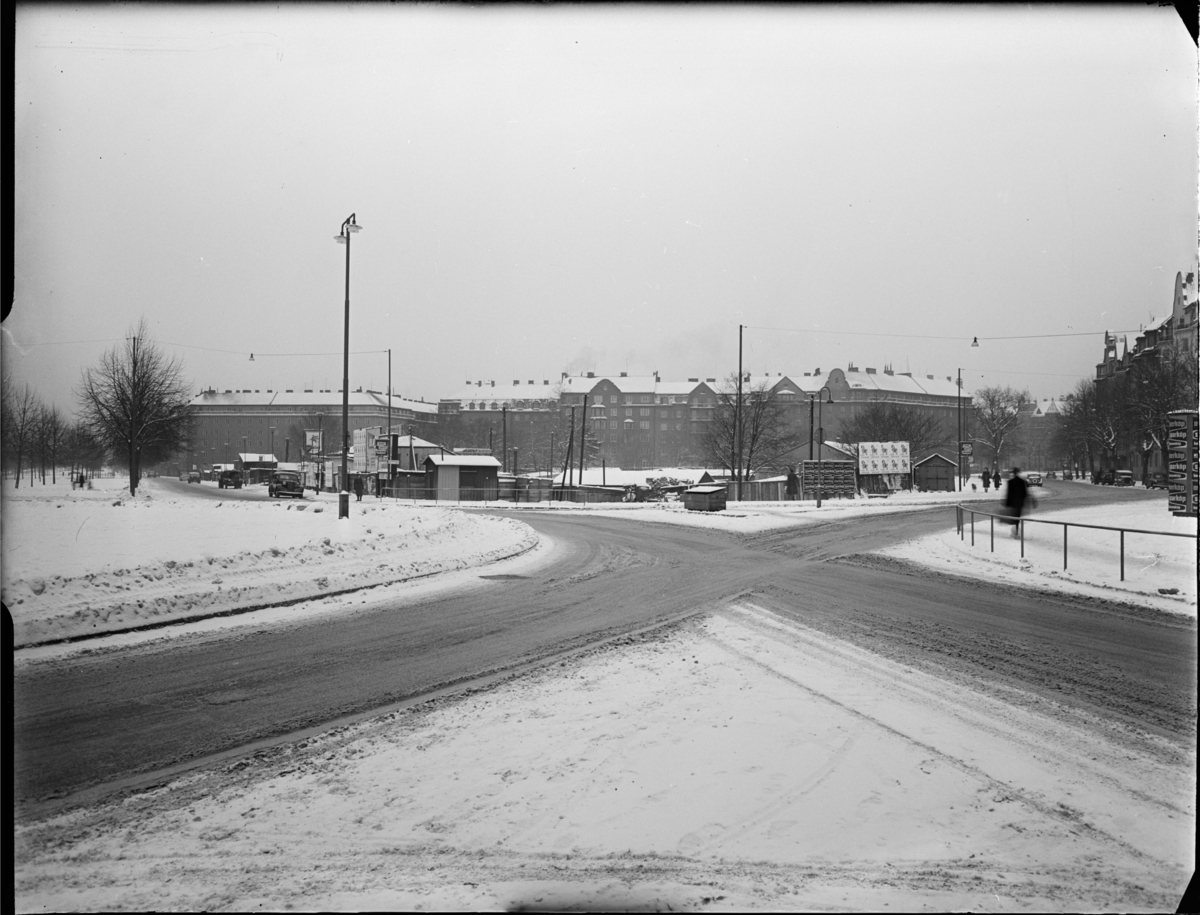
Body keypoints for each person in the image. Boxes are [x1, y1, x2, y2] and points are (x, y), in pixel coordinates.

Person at [1004, 466, 1029, 538]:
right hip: (1019, 503)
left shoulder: (1010, 482)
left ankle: (1015, 532)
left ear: (1013, 473)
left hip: (1013, 503)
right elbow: (1025, 494)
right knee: (1017, 517)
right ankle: (1016, 531)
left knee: (1014, 518)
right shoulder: (1022, 482)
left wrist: (1007, 504)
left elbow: (1009, 494)